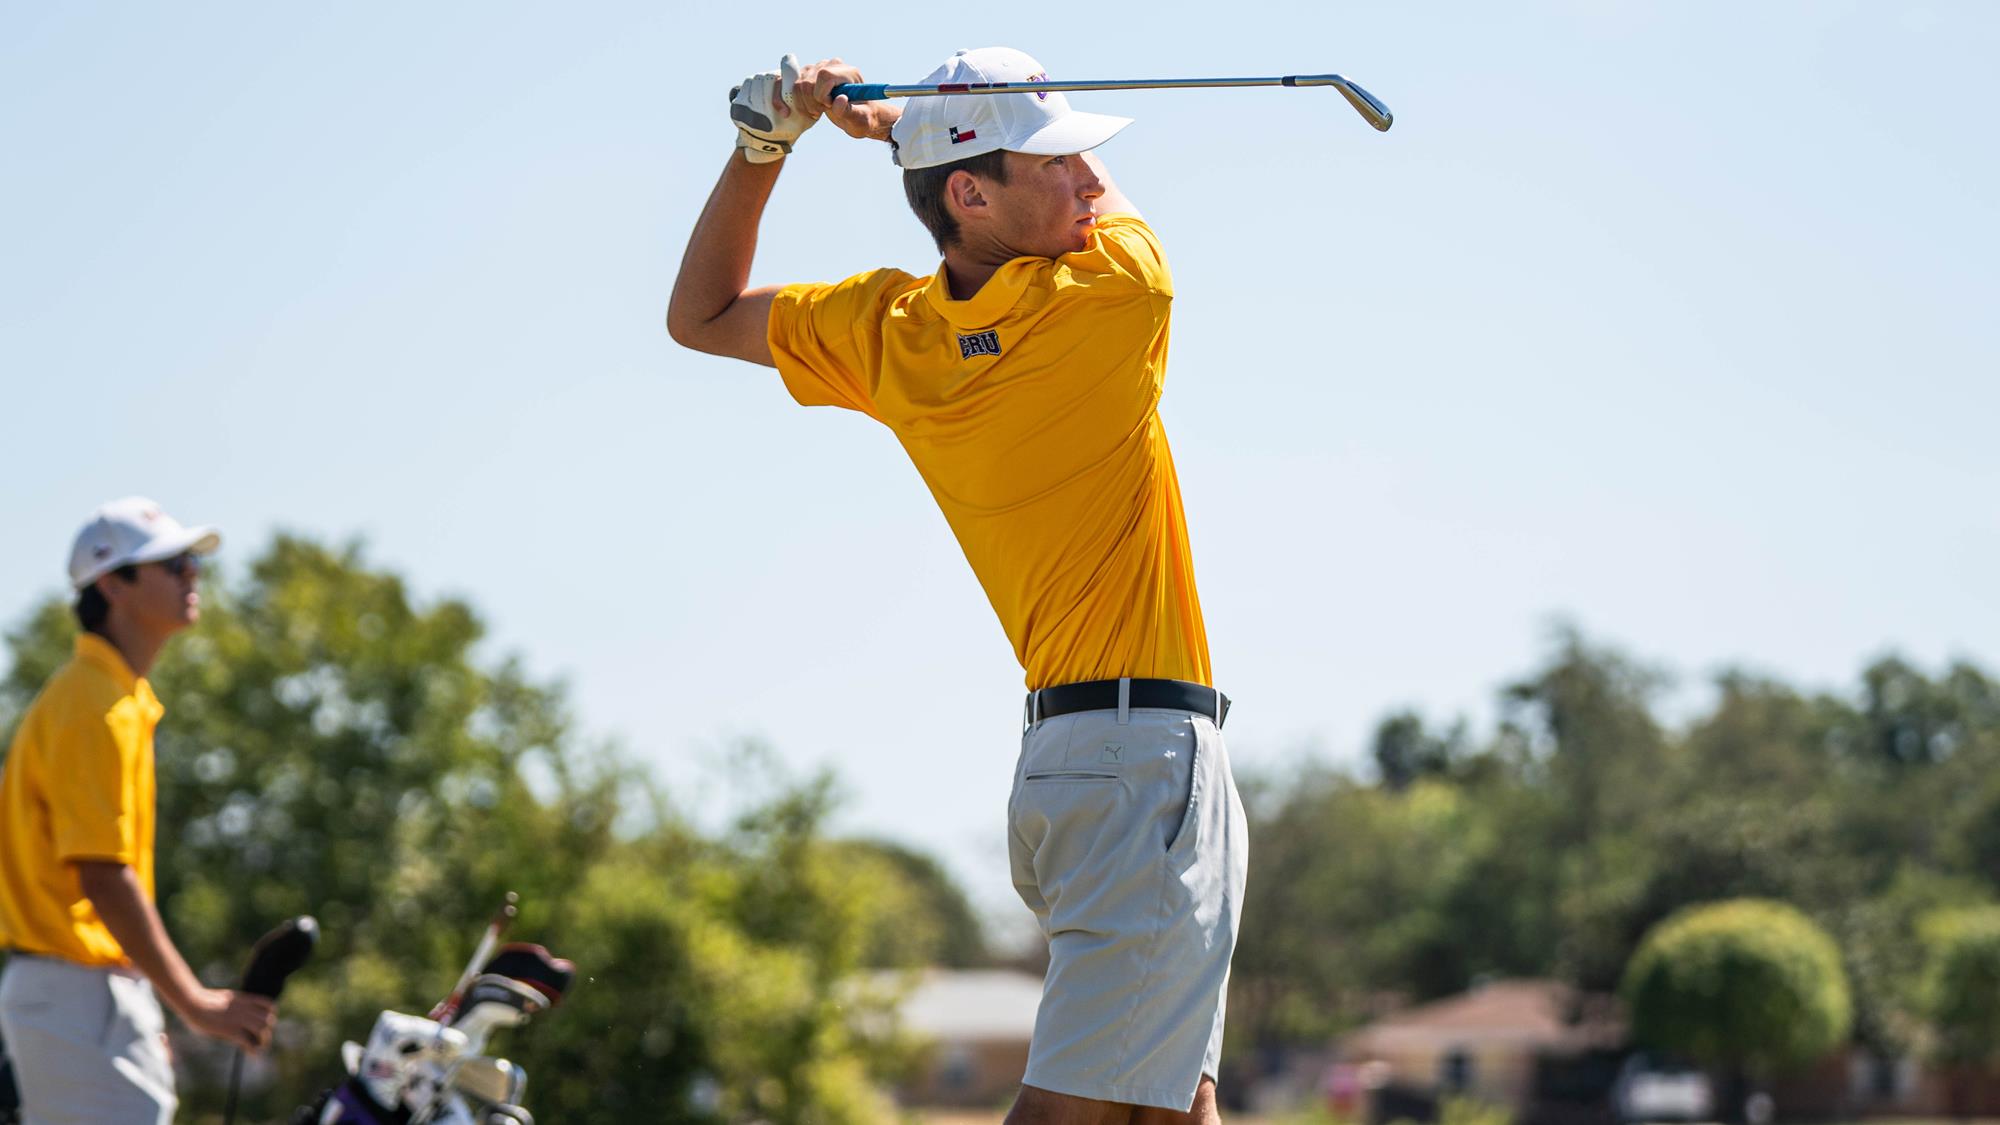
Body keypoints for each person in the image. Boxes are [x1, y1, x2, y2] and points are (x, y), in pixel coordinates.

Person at [670, 46, 1251, 1123]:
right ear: (971, 195)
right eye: (1055, 162)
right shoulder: (1111, 297)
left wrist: (766, 146)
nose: (1085, 180)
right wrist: (895, 125)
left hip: (1068, 771)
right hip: (1142, 769)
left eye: (1083, 161)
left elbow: (699, 316)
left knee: (1178, 1104)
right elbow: (1119, 222)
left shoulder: (890, 333)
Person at [0, 497, 276, 1124]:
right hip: (71, 990)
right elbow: (102, 875)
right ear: (111, 584)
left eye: (190, 564)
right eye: (172, 565)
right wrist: (196, 1003)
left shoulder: (110, 695)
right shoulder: (94, 704)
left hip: (84, 991)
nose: (192, 576)